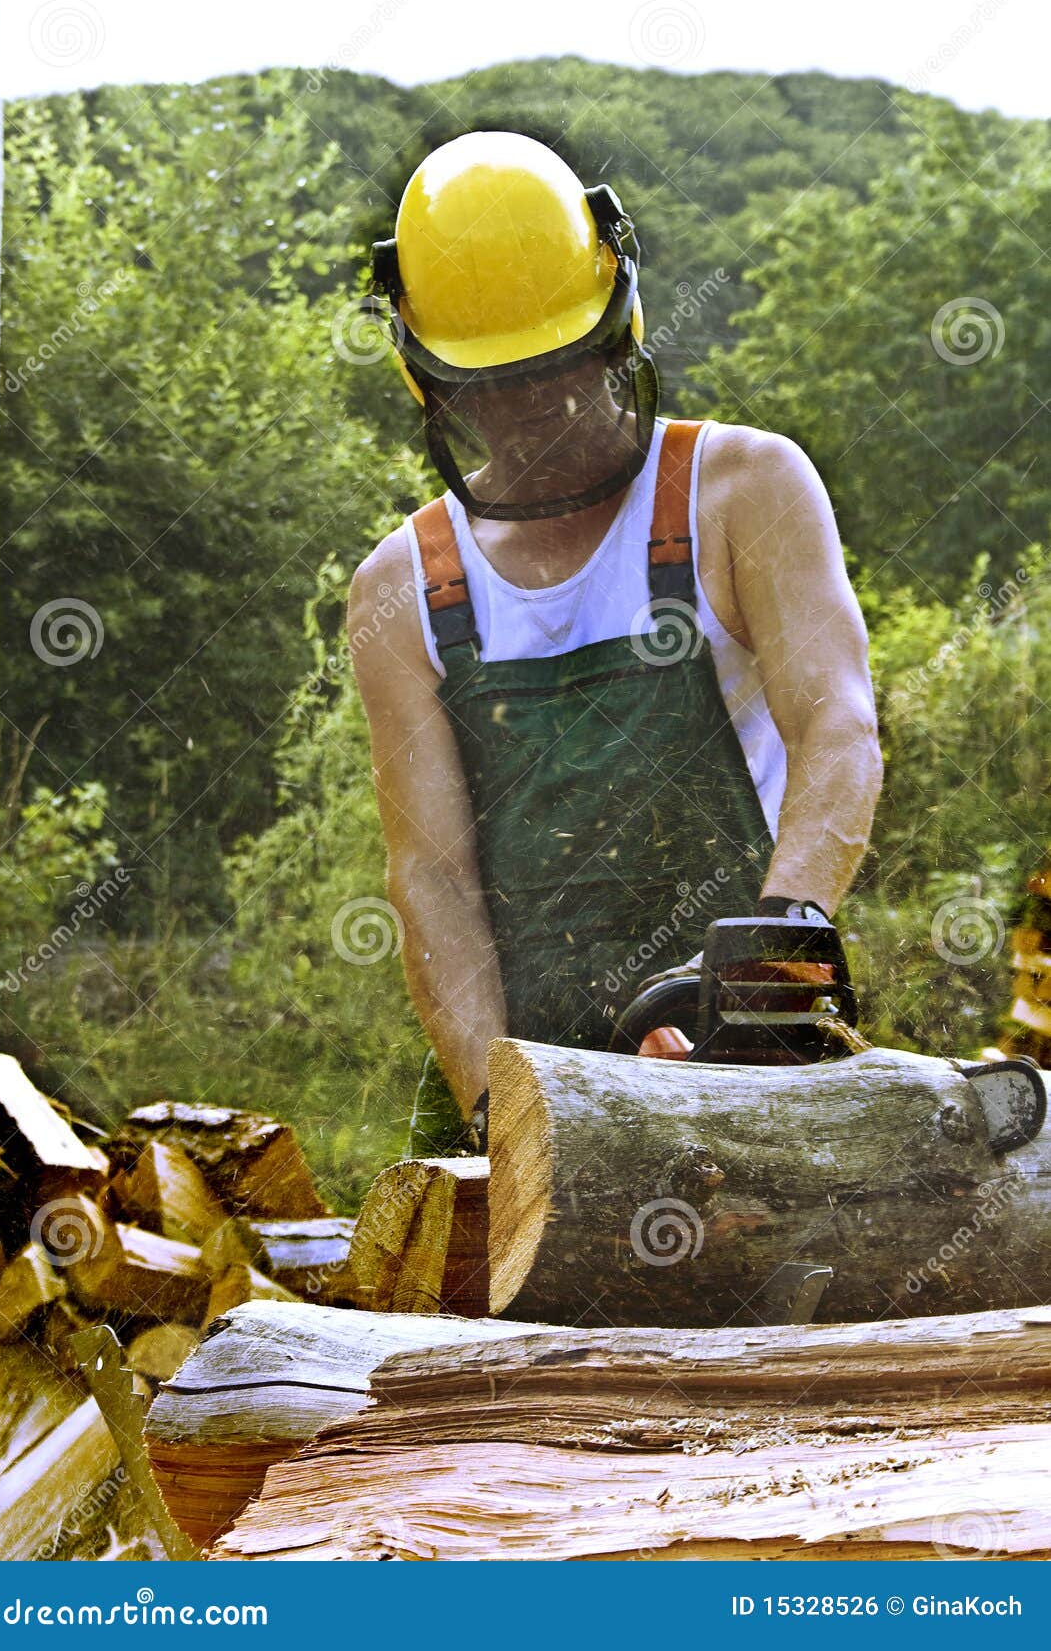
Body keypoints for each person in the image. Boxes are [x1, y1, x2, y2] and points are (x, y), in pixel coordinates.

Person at [348, 131, 883, 1155]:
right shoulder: (404, 587)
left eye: (558, 368)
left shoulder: (737, 493)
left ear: (618, 326)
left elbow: (838, 727)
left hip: (754, 1074)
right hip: (527, 1075)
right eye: (493, 387)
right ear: (432, 383)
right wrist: (499, 1110)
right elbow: (433, 879)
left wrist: (769, 966)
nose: (534, 408)